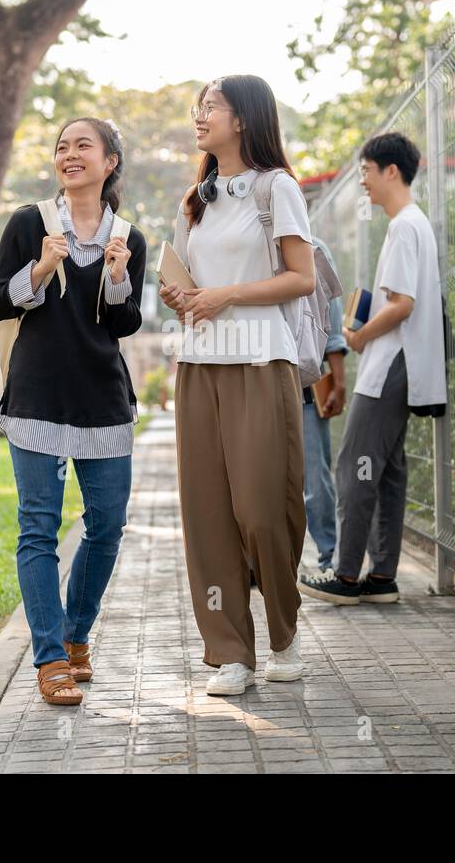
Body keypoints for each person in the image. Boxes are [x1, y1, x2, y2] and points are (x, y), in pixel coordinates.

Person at [158, 75, 316, 696]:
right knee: (208, 513)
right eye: (198, 106)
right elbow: (189, 285)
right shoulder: (195, 197)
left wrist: (228, 295)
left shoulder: (277, 189)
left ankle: (284, 633)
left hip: (259, 361)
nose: (200, 116)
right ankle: (230, 652)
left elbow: (300, 277)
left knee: (261, 507)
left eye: (212, 106)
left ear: (244, 118)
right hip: (199, 366)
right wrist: (181, 295)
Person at [0, 117, 147, 705]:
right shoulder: (30, 224)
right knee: (39, 529)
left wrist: (119, 274)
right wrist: (41, 269)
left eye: (84, 146)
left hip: (103, 401)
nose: (69, 154)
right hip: (37, 401)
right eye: (62, 146)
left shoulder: (127, 236)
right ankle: (50, 659)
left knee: (107, 525)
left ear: (110, 163)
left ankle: (77, 635)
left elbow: (126, 323)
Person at [298, 131, 446, 605]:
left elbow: (402, 304)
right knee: (386, 469)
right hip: (405, 363)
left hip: (391, 365)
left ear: (391, 171)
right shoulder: (412, 223)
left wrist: (360, 335)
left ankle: (345, 575)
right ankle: (381, 577)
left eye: (366, 170)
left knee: (354, 464)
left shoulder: (405, 225)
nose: (362, 181)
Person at [302, 238, 347, 570]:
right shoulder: (249, 249)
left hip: (307, 387)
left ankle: (330, 558)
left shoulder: (315, 249)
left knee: (316, 481)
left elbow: (332, 325)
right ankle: (257, 562)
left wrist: (339, 382)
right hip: (259, 385)